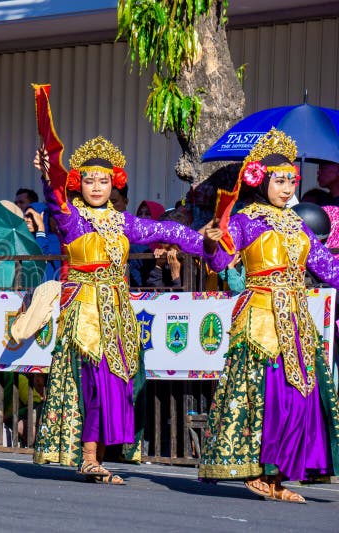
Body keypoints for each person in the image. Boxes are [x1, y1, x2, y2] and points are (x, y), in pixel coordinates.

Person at [31, 137, 216, 484]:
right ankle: (88, 457)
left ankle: (98, 459)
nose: (96, 187)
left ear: (113, 183)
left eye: (103, 181)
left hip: (117, 315)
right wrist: (48, 174)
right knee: (94, 384)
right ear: (78, 183)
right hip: (86, 314)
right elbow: (55, 199)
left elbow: (166, 230)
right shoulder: (73, 219)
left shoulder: (124, 222)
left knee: (116, 385)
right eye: (89, 180)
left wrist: (204, 242)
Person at [199, 129, 339, 503]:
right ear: (261, 181)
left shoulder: (298, 224)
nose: (286, 187)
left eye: (291, 180)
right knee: (267, 399)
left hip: (296, 322)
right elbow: (220, 260)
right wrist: (211, 243)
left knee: (297, 400)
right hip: (260, 320)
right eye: (279, 180)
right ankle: (257, 471)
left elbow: (328, 268)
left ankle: (277, 478)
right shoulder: (245, 219)